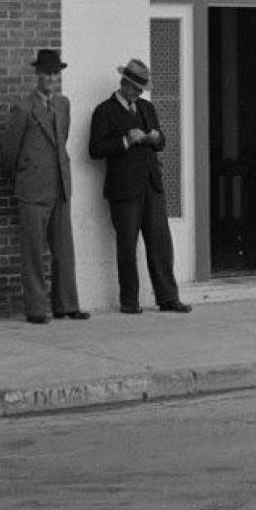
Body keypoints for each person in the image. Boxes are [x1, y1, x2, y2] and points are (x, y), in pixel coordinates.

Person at [88, 57, 192, 316]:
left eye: (140, 89)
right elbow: (95, 149)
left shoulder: (146, 108)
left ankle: (168, 297)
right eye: (134, 88)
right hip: (123, 189)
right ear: (123, 83)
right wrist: (125, 140)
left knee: (160, 243)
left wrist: (156, 138)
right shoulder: (104, 111)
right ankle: (129, 302)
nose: (137, 93)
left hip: (150, 185)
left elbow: (161, 141)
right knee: (127, 245)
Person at [0, 48, 89, 324]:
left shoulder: (64, 105)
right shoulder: (23, 108)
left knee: (64, 250)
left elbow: (61, 139)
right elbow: (9, 151)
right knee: (34, 252)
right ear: (37, 74)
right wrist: (25, 172)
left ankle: (66, 305)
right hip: (32, 189)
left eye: (55, 73)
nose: (51, 78)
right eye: (47, 73)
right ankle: (37, 308)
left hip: (60, 186)